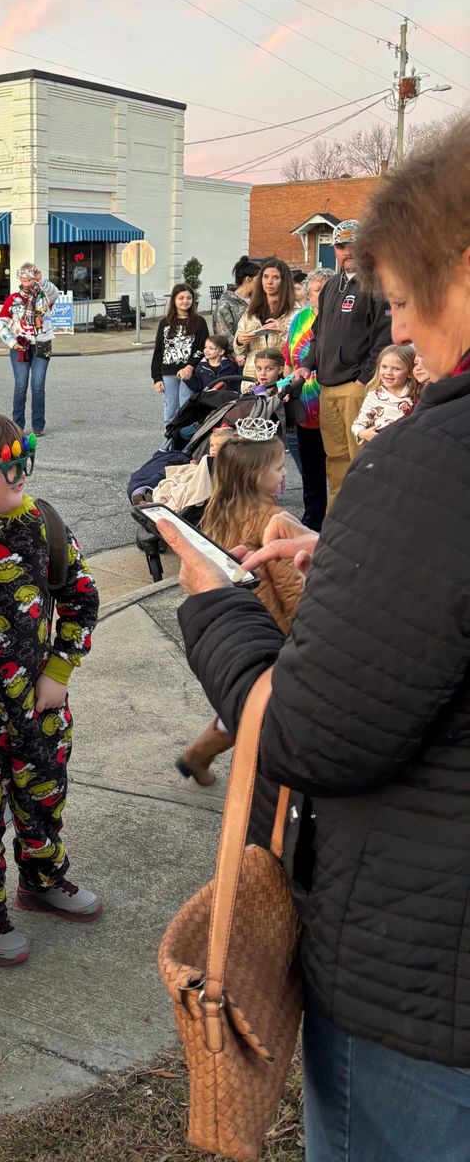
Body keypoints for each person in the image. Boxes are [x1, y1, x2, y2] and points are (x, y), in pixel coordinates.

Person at [158, 118, 470, 1161]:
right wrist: (352, 559)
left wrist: (213, 603)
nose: (401, 327)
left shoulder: (432, 461)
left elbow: (309, 737)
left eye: (404, 293)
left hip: (425, 996)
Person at [0, 410, 101, 965]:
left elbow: (83, 600)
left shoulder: (44, 524)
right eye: (9, 468)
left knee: (43, 801)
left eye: (25, 463)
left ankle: (41, 880)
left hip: (39, 709)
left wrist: (59, 672)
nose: (22, 477)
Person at [174, 419, 303, 787]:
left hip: (234, 629)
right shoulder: (274, 518)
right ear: (253, 475)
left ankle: (197, 755)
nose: (284, 475)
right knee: (261, 711)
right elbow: (292, 588)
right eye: (278, 468)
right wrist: (305, 633)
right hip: (273, 631)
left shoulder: (217, 510)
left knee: (243, 703)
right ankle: (237, 775)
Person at [310, 218, 392, 502]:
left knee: (360, 459)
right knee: (336, 461)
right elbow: (318, 330)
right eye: (342, 246)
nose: (349, 252)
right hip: (327, 388)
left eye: (354, 245)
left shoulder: (376, 285)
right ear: (335, 249)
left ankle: (364, 526)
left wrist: (363, 379)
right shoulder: (331, 285)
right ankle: (336, 524)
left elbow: (384, 337)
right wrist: (307, 364)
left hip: (356, 387)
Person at [284, 266, 333, 531]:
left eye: (326, 290)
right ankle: (313, 519)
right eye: (316, 290)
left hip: (331, 403)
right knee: (311, 471)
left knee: (337, 467)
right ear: (307, 295)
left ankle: (338, 519)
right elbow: (290, 359)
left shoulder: (338, 320)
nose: (321, 295)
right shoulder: (300, 319)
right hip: (305, 405)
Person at [0, 263, 61, 437]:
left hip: (42, 344)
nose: (26, 278)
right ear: (19, 278)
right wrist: (10, 342)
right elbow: (0, 322)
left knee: (38, 386)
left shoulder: (44, 297)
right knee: (20, 386)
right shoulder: (13, 299)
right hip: (20, 346)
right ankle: (17, 426)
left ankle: (38, 426)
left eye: (30, 275)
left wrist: (41, 278)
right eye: (22, 275)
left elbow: (55, 293)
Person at [151, 284, 209, 446]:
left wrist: (190, 367)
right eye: (181, 298)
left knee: (186, 410)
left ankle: (185, 446)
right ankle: (168, 446)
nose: (185, 301)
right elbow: (158, 351)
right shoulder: (165, 323)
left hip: (190, 374)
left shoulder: (199, 322)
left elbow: (201, 349)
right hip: (168, 373)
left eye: (189, 298)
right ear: (174, 300)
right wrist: (156, 378)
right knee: (170, 412)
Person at [235, 257, 296, 381]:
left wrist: (282, 329)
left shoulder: (295, 311)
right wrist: (240, 340)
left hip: (282, 377)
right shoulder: (251, 310)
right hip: (252, 377)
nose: (269, 282)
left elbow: (301, 347)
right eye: (265, 277)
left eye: (275, 278)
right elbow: (238, 349)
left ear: (284, 281)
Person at [351, 343, 419, 443]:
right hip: (383, 449)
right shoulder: (374, 397)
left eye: (396, 368)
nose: (388, 372)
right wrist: (364, 433)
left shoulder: (417, 392)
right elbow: (357, 425)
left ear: (409, 372)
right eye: (384, 367)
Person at [213, 255, 261, 341]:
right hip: (237, 353)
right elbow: (224, 337)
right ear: (248, 279)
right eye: (259, 279)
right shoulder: (225, 304)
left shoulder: (256, 300)